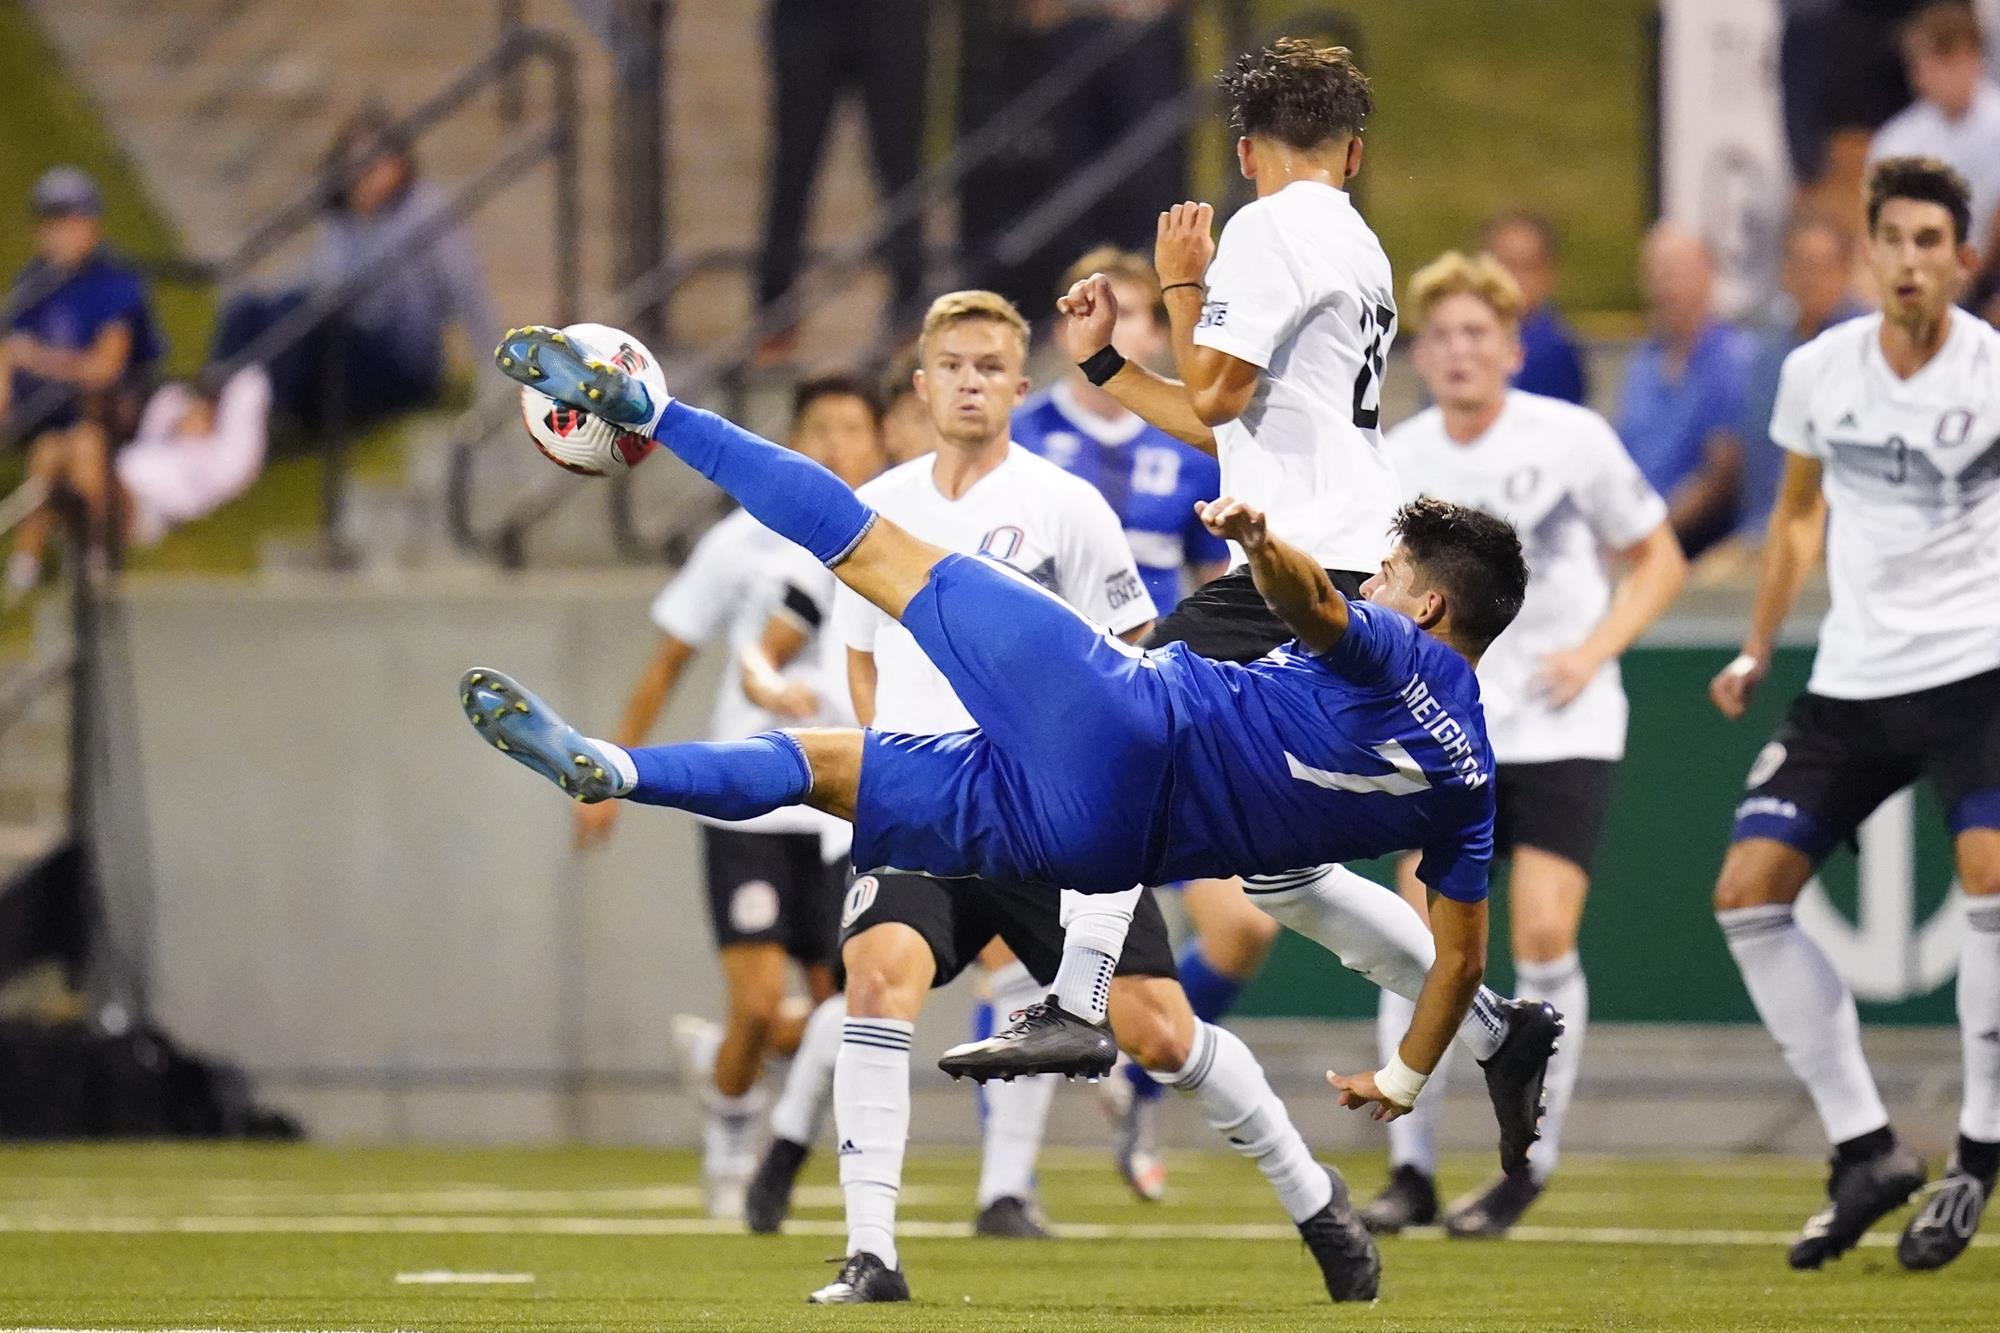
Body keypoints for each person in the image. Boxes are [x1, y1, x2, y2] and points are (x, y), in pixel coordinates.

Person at [1708, 156, 2000, 1273]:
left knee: (1988, 873)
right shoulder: (1820, 368)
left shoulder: (1989, 372)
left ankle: (1975, 1150)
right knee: (1744, 896)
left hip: (1977, 671)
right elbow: (1791, 518)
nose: (1911, 260)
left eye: (1932, 241)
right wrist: (1753, 644)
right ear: (1869, 252)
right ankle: (1867, 1148)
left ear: (1959, 261)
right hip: (1853, 678)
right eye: (1895, 240)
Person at [1360, 252, 1688, 1238]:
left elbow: (1656, 557)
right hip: (1444, 725)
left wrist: (1593, 650)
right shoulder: (1399, 456)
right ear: (1420, 351)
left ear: (1510, 347)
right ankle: (1407, 1164)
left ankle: (1523, 1161)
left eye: (1476, 334)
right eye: (1441, 335)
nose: (1458, 351)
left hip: (1561, 720)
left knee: (1542, 934)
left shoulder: (1572, 439)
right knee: (1416, 934)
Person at [570, 374, 884, 1218]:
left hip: (843, 805)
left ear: (881, 440)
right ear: (791, 439)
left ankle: (723, 1057)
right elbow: (669, 660)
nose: (835, 444)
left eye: (852, 426)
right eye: (818, 426)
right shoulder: (744, 542)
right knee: (756, 999)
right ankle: (729, 1145)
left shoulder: (895, 537)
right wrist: (607, 775)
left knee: (839, 1019)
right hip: (746, 796)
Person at [1013, 245, 1232, 1198]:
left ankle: (1136, 1080)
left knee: (1239, 932)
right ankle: (1004, 1186)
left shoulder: (1185, 442)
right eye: (1108, 309)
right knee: (1004, 955)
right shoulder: (1021, 437)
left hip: (1159, 713)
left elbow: (1212, 579)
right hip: (1050, 730)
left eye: (1141, 312)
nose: (1128, 327)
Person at [210, 107, 498, 432]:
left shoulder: (424, 209)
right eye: (356, 161)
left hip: (400, 359)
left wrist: (493, 365)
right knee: (250, 309)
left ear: (399, 163)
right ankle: (212, 402)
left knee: (302, 314)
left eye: (376, 160)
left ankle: (250, 420)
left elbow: (464, 286)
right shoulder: (342, 218)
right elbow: (321, 277)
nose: (365, 172)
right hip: (342, 347)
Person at [1, 166, 163, 600]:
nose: (66, 234)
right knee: (49, 453)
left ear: (93, 226)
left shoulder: (115, 281)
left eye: (75, 222)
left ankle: (93, 559)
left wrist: (36, 357)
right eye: (56, 223)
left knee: (83, 447)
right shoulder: (33, 280)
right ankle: (27, 564)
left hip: (113, 414)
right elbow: (6, 349)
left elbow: (106, 369)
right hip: (50, 415)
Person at [756, 0, 927, 359]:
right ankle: (773, 315)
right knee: (793, 162)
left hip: (889, 16)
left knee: (900, 165)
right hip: (805, 16)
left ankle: (910, 310)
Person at [1718, 213, 1867, 569]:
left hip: (1842, 541)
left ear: (1845, 271)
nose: (1809, 279)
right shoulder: (1769, 352)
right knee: (1695, 587)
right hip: (1762, 533)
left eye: (1820, 267)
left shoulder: (1870, 349)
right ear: (1785, 271)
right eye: (1800, 266)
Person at [1616, 224, 1755, 560]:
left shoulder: (1734, 359)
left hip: (1699, 547)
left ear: (1709, 276)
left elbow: (1721, 476)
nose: (1666, 287)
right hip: (1632, 533)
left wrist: (1649, 534)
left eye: (1676, 273)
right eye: (1656, 275)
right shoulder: (1642, 363)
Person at [1869, 3, 2000, 258]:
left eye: (1933, 63)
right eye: (1916, 65)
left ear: (1970, 57)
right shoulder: (1898, 139)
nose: (1921, 77)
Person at [1482, 211, 1589, 405]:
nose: (1511, 278)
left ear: (1547, 274)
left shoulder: (1553, 351)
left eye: (1526, 267)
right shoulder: (1459, 340)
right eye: (1502, 264)